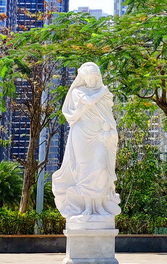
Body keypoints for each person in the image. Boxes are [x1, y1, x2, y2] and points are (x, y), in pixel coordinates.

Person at [51, 62, 121, 218]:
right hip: (81, 134)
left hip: (99, 133)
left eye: (93, 78)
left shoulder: (104, 93)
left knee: (102, 167)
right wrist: (102, 91)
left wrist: (109, 130)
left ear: (97, 78)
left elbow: (108, 115)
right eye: (87, 78)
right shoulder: (78, 91)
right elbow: (89, 101)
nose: (90, 81)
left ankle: (99, 206)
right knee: (84, 170)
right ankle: (88, 208)